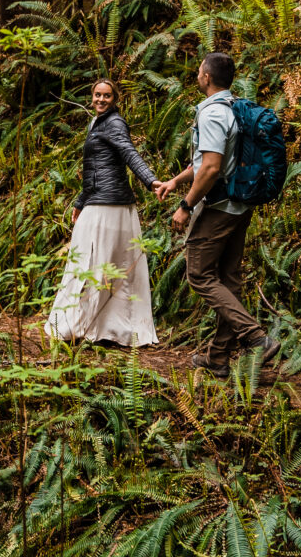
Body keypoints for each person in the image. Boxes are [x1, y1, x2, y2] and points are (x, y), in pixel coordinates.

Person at [159, 51, 281, 376]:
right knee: (228, 279)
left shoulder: (212, 114)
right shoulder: (233, 109)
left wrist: (185, 205)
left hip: (219, 207)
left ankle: (256, 338)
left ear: (207, 77)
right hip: (240, 205)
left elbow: (212, 168)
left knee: (199, 275)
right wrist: (176, 180)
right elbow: (206, 162)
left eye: (199, 71)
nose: (198, 75)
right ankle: (218, 359)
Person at [45, 78, 165, 347]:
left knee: (97, 265)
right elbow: (94, 173)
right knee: (98, 266)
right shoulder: (96, 123)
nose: (101, 99)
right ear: (92, 97)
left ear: (115, 99)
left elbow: (128, 153)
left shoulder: (114, 123)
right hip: (99, 201)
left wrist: (150, 180)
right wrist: (79, 202)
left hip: (109, 208)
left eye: (107, 96)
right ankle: (98, 326)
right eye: (97, 95)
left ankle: (92, 326)